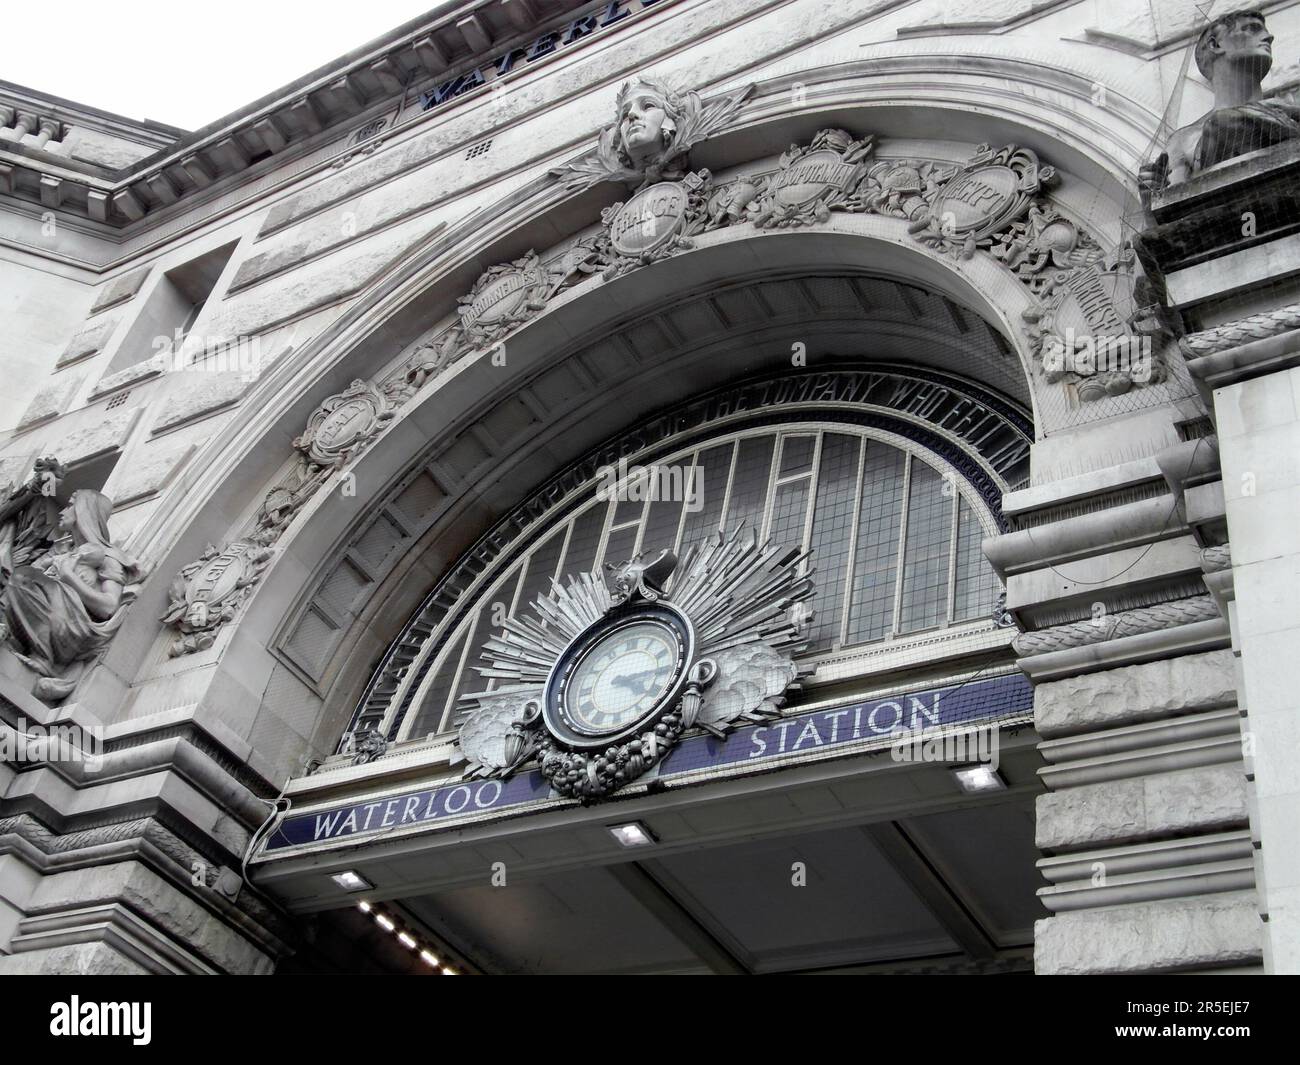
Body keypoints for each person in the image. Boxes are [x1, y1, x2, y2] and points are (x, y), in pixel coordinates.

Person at [1, 489, 146, 701]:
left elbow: (108, 606)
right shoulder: (61, 551)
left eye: (70, 505)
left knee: (21, 578)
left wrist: (69, 577)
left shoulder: (108, 556)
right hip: (44, 615)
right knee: (14, 580)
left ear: (83, 511)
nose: (63, 511)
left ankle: (45, 658)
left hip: (71, 627)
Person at [1148, 10, 1300, 188]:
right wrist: (1150, 199)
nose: (1269, 36)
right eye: (1252, 28)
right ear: (1215, 44)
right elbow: (1177, 207)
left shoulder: (1291, 108)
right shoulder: (1183, 140)